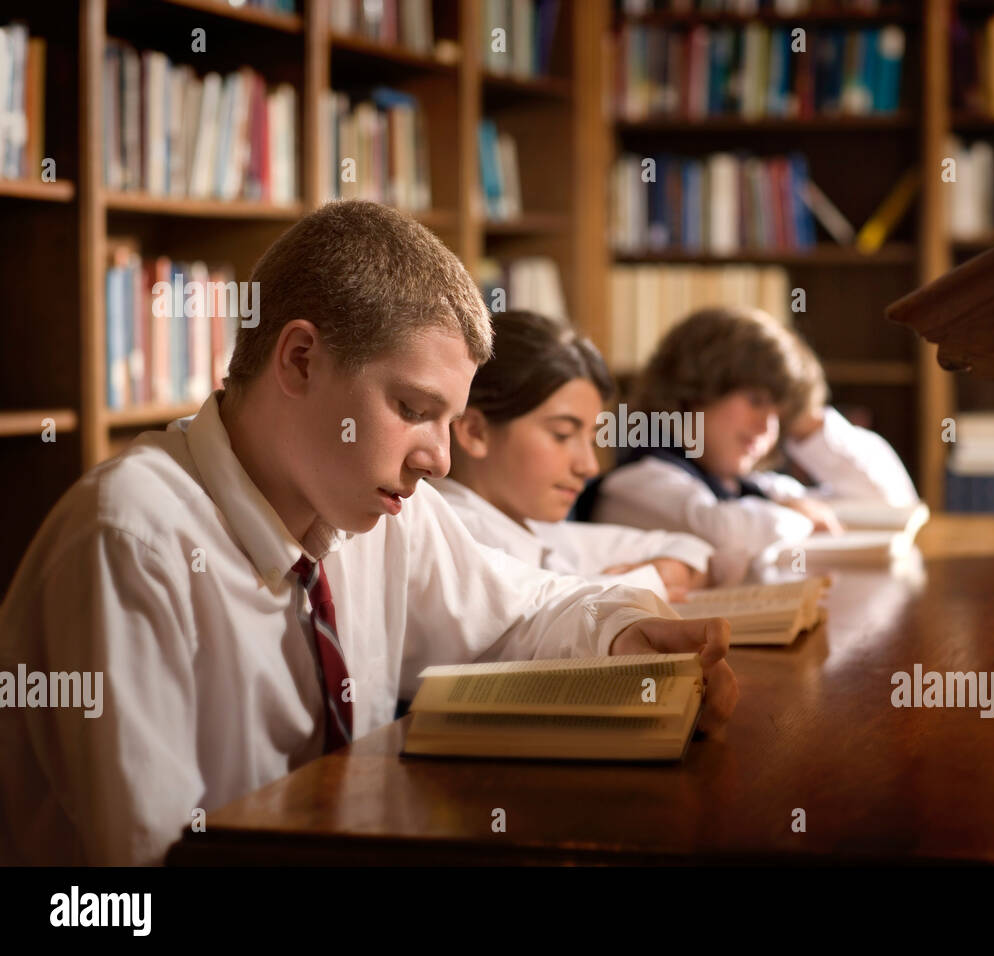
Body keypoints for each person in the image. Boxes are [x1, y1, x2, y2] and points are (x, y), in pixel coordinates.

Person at [0, 201, 736, 866]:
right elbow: (150, 870)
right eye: (414, 409)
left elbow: (522, 610)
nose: (440, 459)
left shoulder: (372, 506)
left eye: (450, 422)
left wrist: (626, 635)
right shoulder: (131, 542)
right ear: (299, 359)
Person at [586, 306, 917, 582]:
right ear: (691, 394)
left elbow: (889, 503)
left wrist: (807, 423)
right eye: (756, 400)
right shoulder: (636, 482)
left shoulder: (753, 487)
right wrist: (799, 516)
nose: (767, 427)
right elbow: (727, 533)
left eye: (780, 414)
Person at [435, 310, 714, 602]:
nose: (589, 467)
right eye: (562, 435)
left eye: (592, 440)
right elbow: (541, 612)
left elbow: (695, 551)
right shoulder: (449, 538)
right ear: (476, 431)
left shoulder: (541, 530)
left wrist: (667, 571)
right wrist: (649, 581)